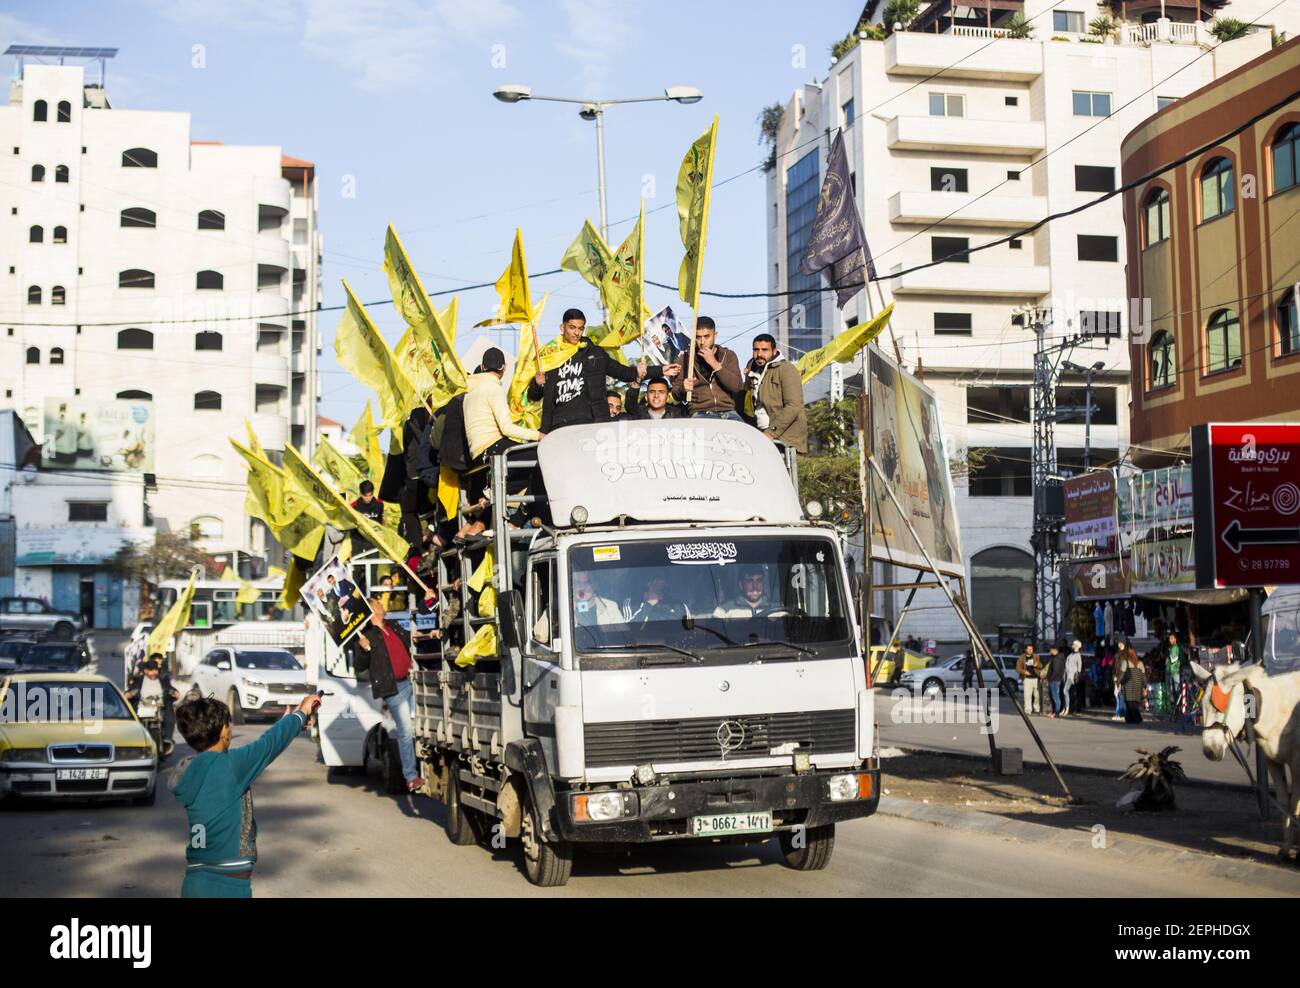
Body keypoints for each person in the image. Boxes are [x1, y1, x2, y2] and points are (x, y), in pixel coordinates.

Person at [170, 691, 321, 897]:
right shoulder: (229, 765)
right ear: (224, 731)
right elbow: (269, 744)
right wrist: (302, 711)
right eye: (229, 724)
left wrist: (293, 722)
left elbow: (271, 739)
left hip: (195, 880)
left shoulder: (191, 770)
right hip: (226, 886)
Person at [526, 308, 677, 433]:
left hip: (591, 423)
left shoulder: (595, 353)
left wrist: (660, 370)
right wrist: (537, 384)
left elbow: (625, 373)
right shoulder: (550, 356)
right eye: (572, 328)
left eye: (580, 328)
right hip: (559, 426)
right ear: (562, 327)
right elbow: (534, 396)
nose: (576, 333)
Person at [353, 595, 421, 791]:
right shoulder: (367, 636)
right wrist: (364, 649)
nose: (382, 605)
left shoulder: (392, 626)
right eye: (377, 603)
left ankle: (422, 769)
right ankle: (411, 776)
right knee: (405, 730)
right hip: (394, 690)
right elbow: (359, 665)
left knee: (423, 728)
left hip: (411, 682)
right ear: (371, 610)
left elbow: (410, 640)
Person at [463, 346, 543, 505]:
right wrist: (538, 436)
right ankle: (497, 492)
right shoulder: (493, 387)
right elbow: (506, 428)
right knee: (541, 456)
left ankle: (493, 492)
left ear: (483, 367)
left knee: (526, 460)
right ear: (504, 367)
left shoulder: (470, 391)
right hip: (492, 447)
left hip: (477, 452)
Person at [741, 333, 807, 453]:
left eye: (764, 350)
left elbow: (794, 406)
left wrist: (771, 432)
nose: (759, 354)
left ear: (774, 351)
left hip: (784, 439)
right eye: (756, 350)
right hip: (760, 434)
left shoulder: (786, 369)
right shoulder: (753, 371)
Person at [674, 316, 744, 419]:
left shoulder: (728, 355)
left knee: (741, 432)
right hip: (700, 412)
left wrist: (715, 364)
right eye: (698, 337)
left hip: (728, 411)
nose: (702, 342)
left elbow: (737, 387)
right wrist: (683, 389)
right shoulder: (686, 359)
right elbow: (675, 393)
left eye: (707, 337)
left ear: (715, 335)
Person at [125, 654, 180, 753]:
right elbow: (128, 692)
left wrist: (174, 693)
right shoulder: (138, 681)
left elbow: (172, 690)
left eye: (155, 670)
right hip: (141, 707)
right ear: (145, 671)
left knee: (170, 717)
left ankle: (167, 740)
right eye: (151, 670)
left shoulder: (163, 680)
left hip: (160, 707)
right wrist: (129, 694)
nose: (154, 672)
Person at [625, 576, 689, 628]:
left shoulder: (679, 606)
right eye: (657, 591)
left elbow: (688, 630)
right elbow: (629, 629)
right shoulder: (631, 603)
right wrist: (649, 604)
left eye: (663, 590)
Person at [349, 480, 385, 556]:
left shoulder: (379, 504)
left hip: (373, 540)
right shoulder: (354, 506)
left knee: (373, 566)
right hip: (358, 540)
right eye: (365, 496)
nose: (368, 498)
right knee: (357, 566)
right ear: (361, 494)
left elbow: (382, 521)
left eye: (370, 495)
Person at [1118, 640, 1146, 724]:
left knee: (1129, 703)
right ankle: (1131, 718)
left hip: (1128, 686)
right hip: (1138, 686)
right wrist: (1144, 686)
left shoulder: (1125, 662)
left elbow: (1122, 674)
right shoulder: (1140, 663)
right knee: (1134, 703)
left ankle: (1137, 718)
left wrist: (1118, 683)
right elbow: (1143, 676)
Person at [1016, 644, 1044, 715]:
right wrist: (1024, 672)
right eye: (1028, 649)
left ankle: (1037, 708)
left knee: (1037, 695)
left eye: (1031, 649)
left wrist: (1036, 665)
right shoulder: (1022, 657)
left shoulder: (1036, 656)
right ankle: (1028, 710)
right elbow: (1017, 668)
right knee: (1027, 695)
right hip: (1027, 679)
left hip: (1035, 678)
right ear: (1026, 649)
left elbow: (1041, 666)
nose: (1030, 650)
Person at [1063, 639, 1084, 717]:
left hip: (1072, 675)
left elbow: (1079, 667)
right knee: (1069, 692)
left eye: (1074, 644)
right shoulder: (1071, 654)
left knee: (1065, 690)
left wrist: (1077, 675)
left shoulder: (1078, 655)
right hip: (1067, 674)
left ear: (1077, 646)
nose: (1072, 645)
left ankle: (1068, 708)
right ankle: (1067, 708)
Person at [1045, 643, 1066, 718]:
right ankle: (1054, 711)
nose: (1050, 651)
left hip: (1054, 680)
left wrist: (1050, 678)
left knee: (1055, 696)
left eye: (1051, 649)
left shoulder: (1057, 659)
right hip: (1055, 680)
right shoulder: (1056, 658)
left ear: (1055, 650)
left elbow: (1056, 671)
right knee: (1053, 696)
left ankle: (1057, 712)